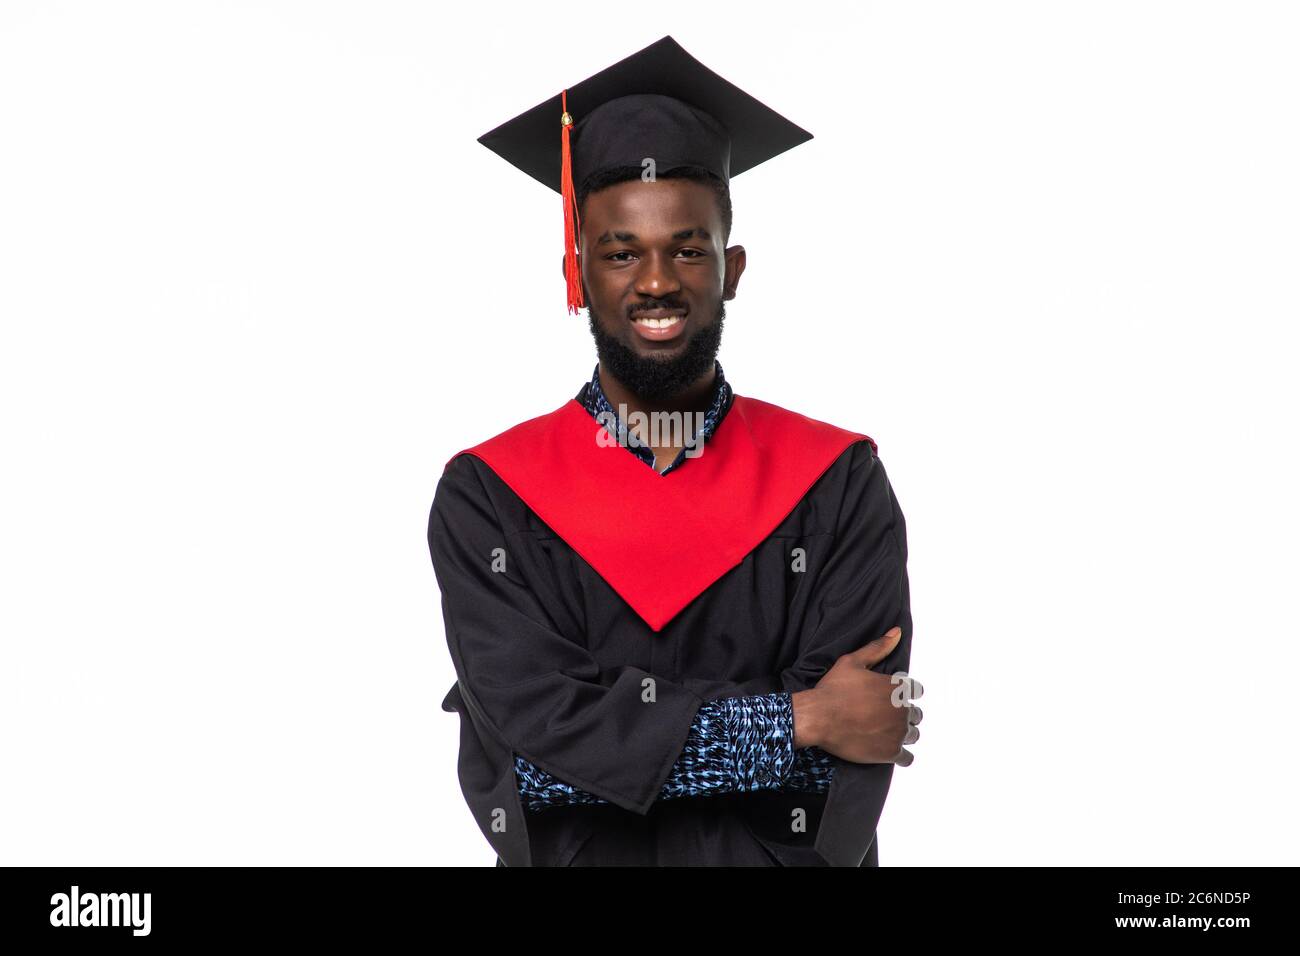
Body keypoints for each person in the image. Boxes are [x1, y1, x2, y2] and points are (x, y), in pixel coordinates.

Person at [427, 35, 922, 867]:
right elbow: (524, 766)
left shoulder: (838, 483)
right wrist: (795, 718)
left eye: (688, 250)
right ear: (576, 270)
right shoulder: (488, 497)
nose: (656, 281)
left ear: (730, 269)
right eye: (621, 252)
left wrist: (613, 743)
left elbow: (860, 747)